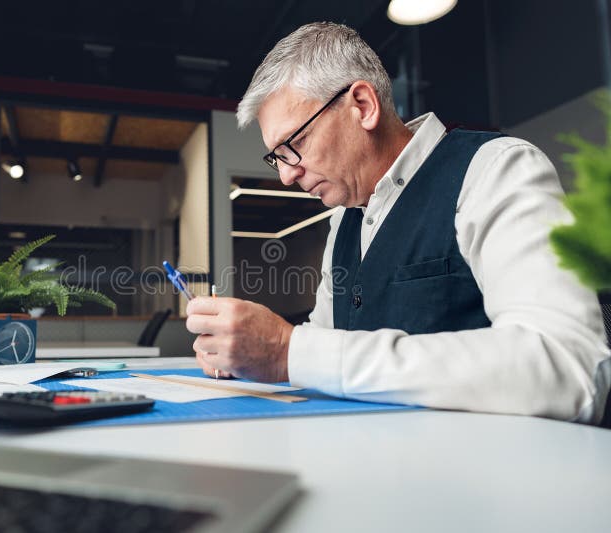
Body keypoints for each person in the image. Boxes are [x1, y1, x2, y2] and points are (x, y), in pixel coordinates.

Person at [185, 22, 611, 424]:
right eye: (276, 156)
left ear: (363, 106)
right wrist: (249, 354)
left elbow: (568, 366)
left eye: (294, 144)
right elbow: (326, 339)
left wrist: (286, 351)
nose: (286, 175)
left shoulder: (496, 170)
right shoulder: (344, 222)